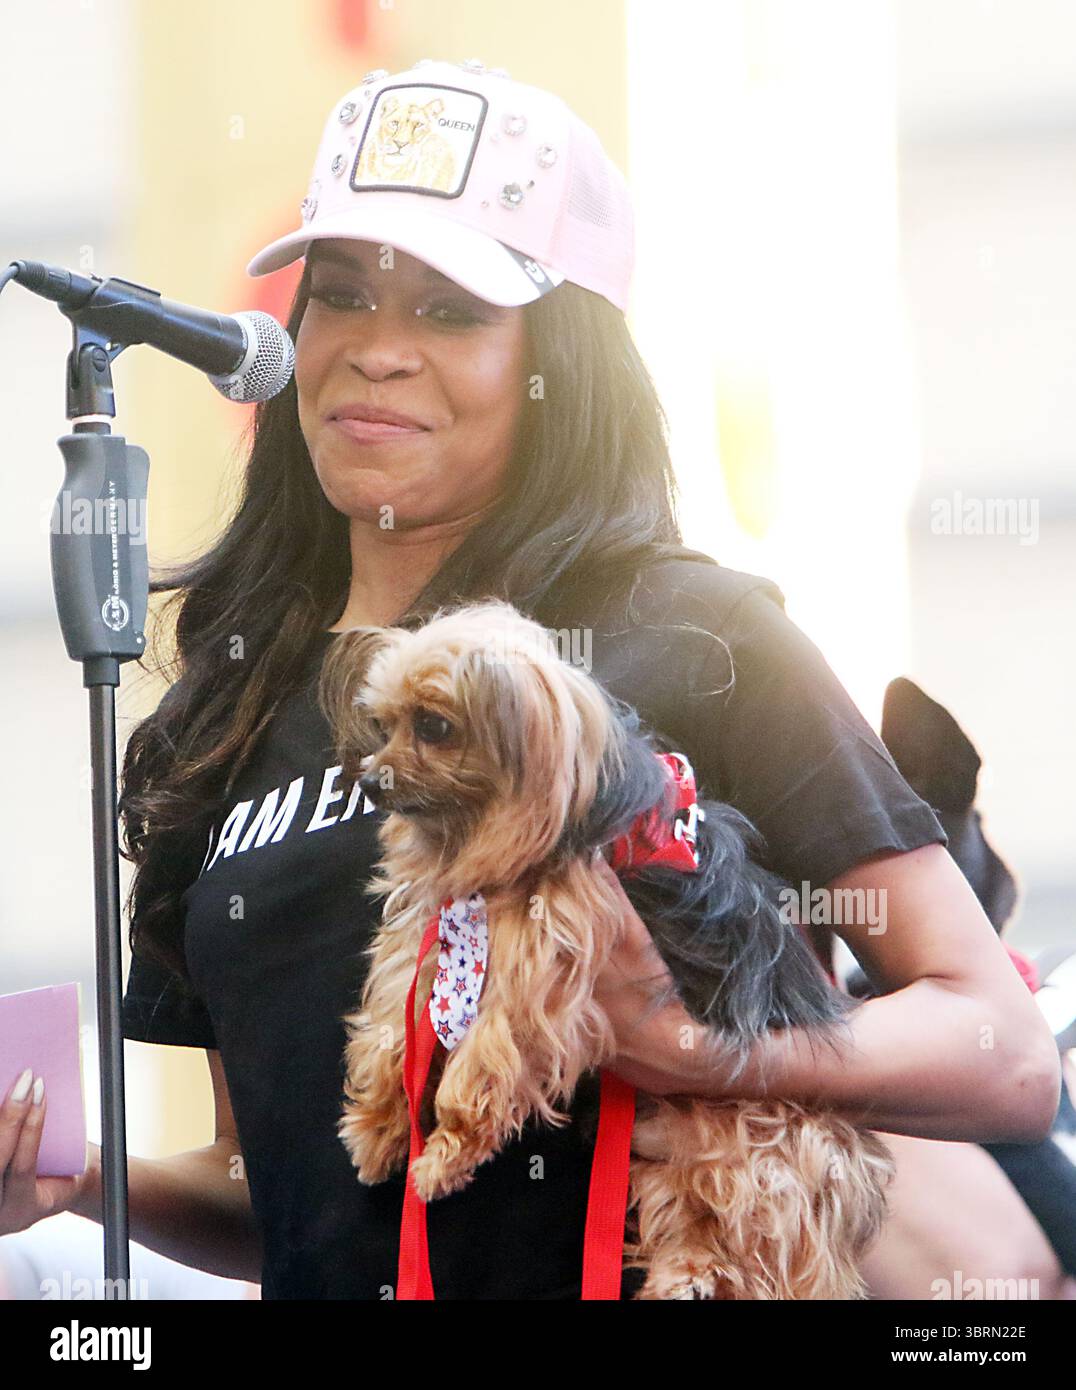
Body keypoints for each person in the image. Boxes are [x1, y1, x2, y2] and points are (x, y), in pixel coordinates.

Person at [0, 59, 1059, 1300]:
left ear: (561, 360)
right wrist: (72, 1180)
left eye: (450, 311)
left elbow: (1000, 1053)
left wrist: (697, 1047)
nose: (377, 352)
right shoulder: (222, 719)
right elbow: (277, 1184)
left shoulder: (701, 635)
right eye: (341, 297)